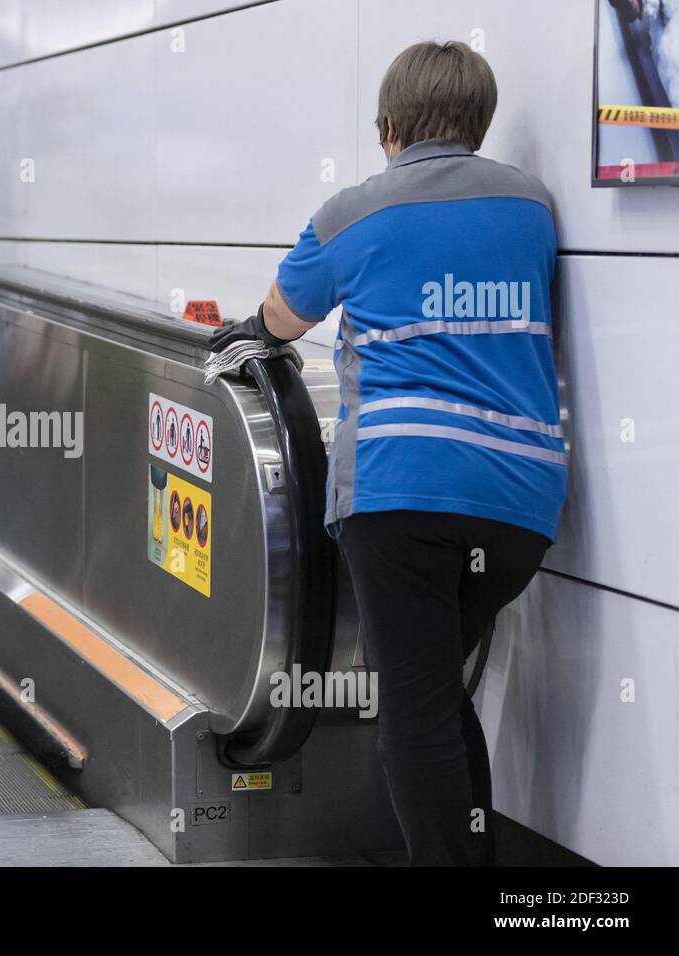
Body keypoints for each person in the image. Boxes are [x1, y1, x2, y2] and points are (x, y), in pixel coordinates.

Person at [209, 41, 566, 866]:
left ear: (389, 127)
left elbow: (279, 318)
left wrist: (258, 334)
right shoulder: (532, 206)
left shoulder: (355, 212)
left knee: (411, 701)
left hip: (403, 492)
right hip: (519, 505)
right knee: (434, 687)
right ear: (480, 121)